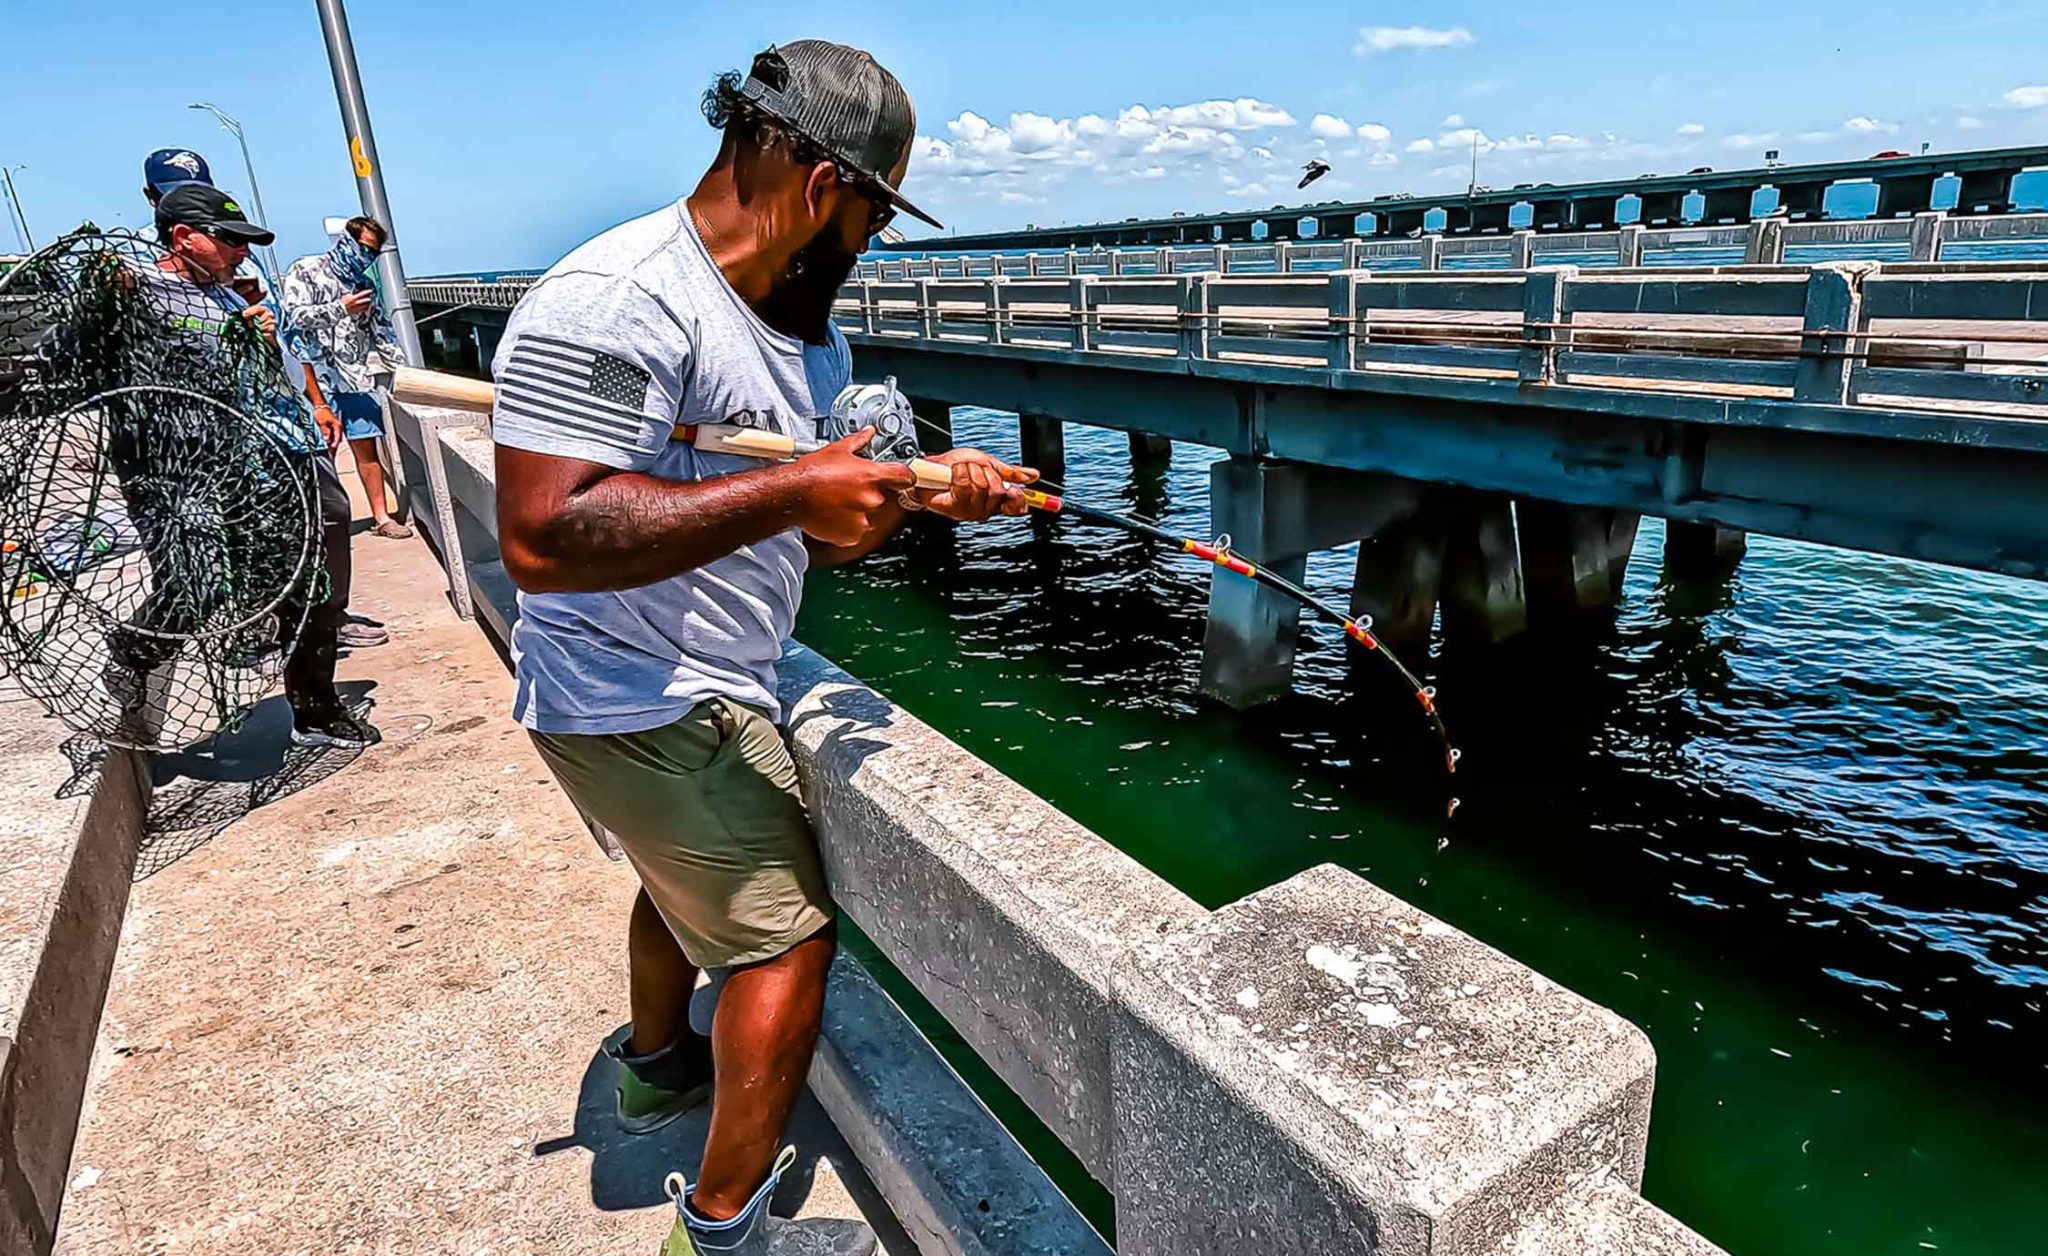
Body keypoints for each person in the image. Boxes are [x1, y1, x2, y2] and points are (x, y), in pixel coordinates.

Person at [490, 39, 1029, 1256]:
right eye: (876, 207)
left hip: (684, 682)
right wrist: (794, 496)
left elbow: (819, 533)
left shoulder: (803, 333)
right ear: (816, 172)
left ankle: (655, 1068)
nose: (875, 237)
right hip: (634, 691)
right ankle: (723, 1231)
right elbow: (544, 533)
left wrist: (909, 495)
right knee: (785, 947)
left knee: (678, 880)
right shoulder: (620, 299)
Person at [118, 184, 381, 748]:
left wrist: (271, 351)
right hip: (185, 468)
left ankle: (315, 706)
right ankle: (134, 650)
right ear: (184, 238)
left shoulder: (232, 296)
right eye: (229, 241)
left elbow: (278, 363)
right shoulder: (138, 290)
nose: (241, 252)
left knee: (314, 574)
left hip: (267, 455)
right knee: (199, 582)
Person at [281, 216, 414, 540]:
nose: (365, 257)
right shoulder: (305, 269)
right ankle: (318, 526)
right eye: (363, 248)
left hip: (355, 378)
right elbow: (294, 317)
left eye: (372, 253)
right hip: (316, 382)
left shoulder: (364, 286)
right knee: (320, 454)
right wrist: (340, 308)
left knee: (367, 450)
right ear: (345, 241)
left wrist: (407, 375)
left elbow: (382, 332)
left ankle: (381, 517)